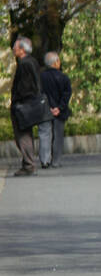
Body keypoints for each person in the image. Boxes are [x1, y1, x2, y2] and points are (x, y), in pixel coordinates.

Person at [10, 36, 44, 176]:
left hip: (23, 105)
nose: (13, 49)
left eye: (16, 47)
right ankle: (27, 163)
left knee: (23, 136)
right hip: (29, 104)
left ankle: (29, 165)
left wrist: (17, 101)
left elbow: (24, 87)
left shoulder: (24, 64)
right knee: (26, 135)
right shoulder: (32, 62)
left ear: (22, 49)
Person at [38, 51, 72, 168]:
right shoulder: (63, 77)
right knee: (58, 136)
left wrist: (49, 107)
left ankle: (44, 160)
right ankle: (56, 161)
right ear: (56, 62)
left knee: (44, 134)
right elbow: (67, 94)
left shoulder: (40, 77)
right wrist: (59, 107)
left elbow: (39, 93)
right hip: (59, 111)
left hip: (44, 110)